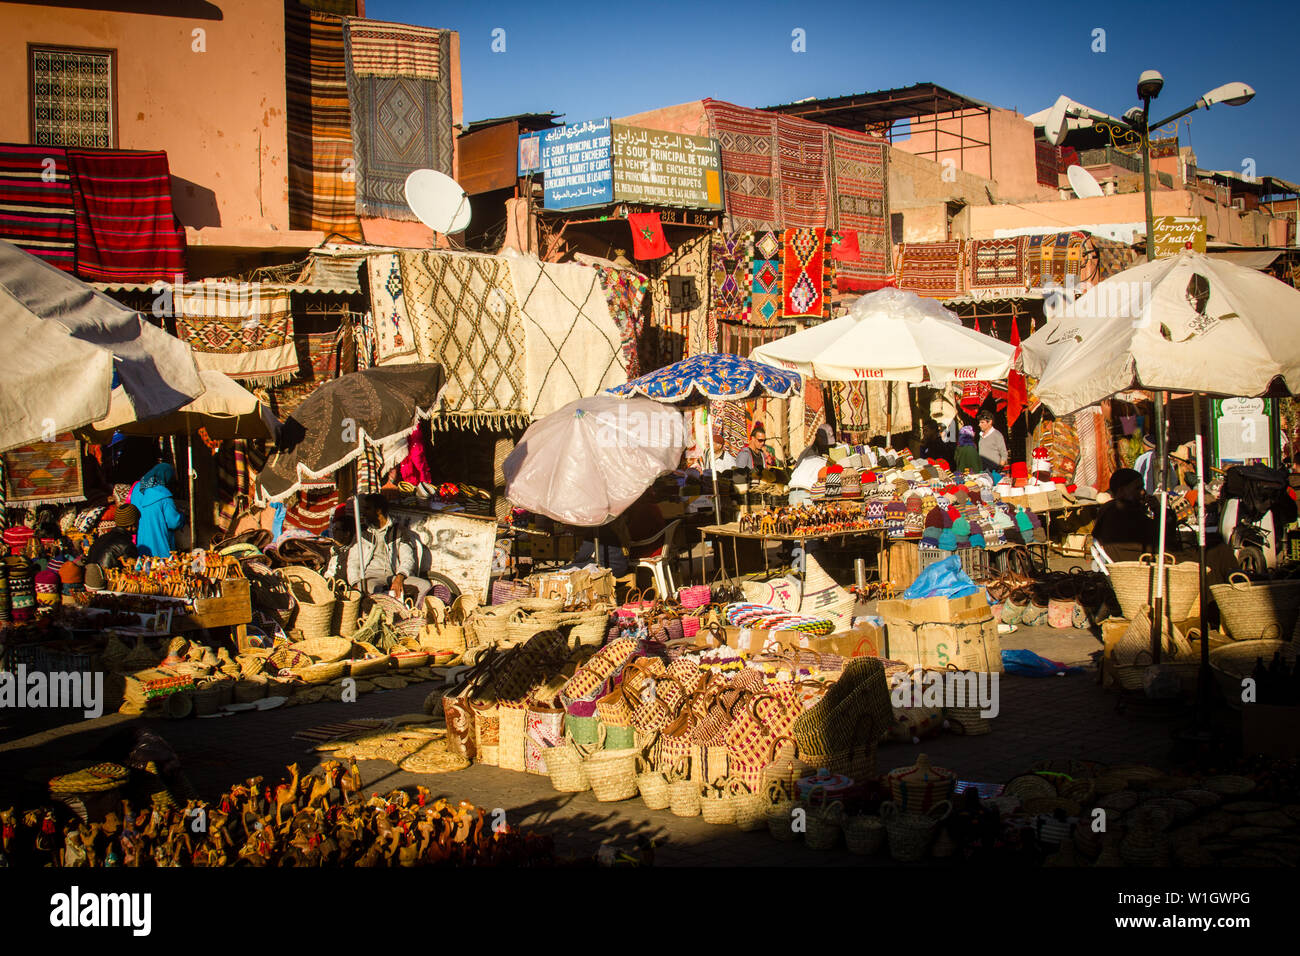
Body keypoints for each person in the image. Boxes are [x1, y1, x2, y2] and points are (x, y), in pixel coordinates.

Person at [343, 494, 433, 604]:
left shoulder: (399, 532)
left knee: (425, 585)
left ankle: (415, 615)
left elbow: (408, 559)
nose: (364, 513)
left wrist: (399, 578)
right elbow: (353, 562)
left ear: (378, 511)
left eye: (368, 508)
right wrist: (355, 583)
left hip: (393, 576)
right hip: (370, 578)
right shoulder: (363, 533)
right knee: (376, 591)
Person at [574, 489, 666, 579]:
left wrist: (572, 563)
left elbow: (583, 555)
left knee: (574, 567)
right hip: (634, 558)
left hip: (647, 550)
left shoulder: (641, 510)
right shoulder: (652, 507)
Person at [1091, 468, 1177, 562]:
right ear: (1121, 490)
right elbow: (1159, 537)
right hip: (1135, 561)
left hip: (1128, 558)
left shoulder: (1111, 508)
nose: (1143, 492)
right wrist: (1158, 510)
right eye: (1137, 488)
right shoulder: (1121, 510)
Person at [129, 463, 184, 557]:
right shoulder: (163, 494)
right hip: (161, 547)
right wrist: (182, 516)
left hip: (141, 545)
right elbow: (173, 522)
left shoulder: (137, 489)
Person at [86, 504, 140, 570]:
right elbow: (133, 572)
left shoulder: (100, 539)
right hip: (107, 579)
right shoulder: (126, 546)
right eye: (137, 522)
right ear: (132, 525)